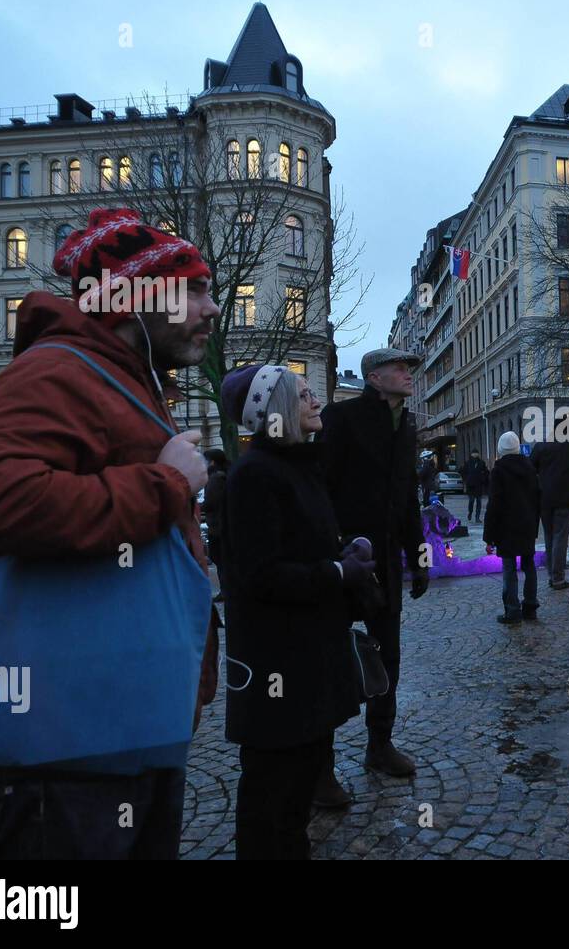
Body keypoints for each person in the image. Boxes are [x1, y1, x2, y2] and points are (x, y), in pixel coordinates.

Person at [0, 208, 220, 859]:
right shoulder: (53, 372)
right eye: (194, 290)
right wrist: (165, 486)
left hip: (115, 735)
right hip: (58, 758)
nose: (213, 308)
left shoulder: (127, 381)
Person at [220, 364, 368, 859]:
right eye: (304, 395)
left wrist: (346, 555)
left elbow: (308, 547)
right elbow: (262, 574)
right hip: (275, 664)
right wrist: (337, 573)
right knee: (271, 795)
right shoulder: (255, 475)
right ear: (277, 408)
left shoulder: (298, 465)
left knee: (296, 794)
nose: (316, 401)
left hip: (308, 655)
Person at [320, 348, 429, 781]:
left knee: (390, 656)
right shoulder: (340, 418)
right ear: (374, 376)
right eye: (400, 369)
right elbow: (323, 488)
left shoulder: (407, 427)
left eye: (408, 370)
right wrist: (333, 549)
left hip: (386, 559)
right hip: (344, 559)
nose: (408, 375)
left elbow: (408, 500)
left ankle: (379, 745)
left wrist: (418, 557)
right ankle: (321, 765)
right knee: (329, 654)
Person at [482, 431, 541, 625]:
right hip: (527, 525)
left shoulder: (498, 471)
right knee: (529, 566)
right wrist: (534, 524)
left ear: (500, 449)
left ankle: (513, 611)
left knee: (509, 569)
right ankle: (531, 607)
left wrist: (488, 536)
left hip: (506, 527)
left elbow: (494, 504)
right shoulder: (530, 468)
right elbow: (537, 498)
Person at [530, 437, 569, 589]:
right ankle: (558, 578)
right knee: (560, 537)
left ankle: (551, 575)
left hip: (545, 499)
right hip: (565, 499)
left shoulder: (541, 446)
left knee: (549, 537)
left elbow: (531, 466)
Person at [203, 448, 230, 602]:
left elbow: (211, 502)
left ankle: (225, 591)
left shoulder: (215, 478)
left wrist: (198, 507)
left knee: (220, 560)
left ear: (212, 462)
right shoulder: (224, 475)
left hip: (217, 527)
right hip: (222, 525)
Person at [462, 449, 489, 523]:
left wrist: (483, 479)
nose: (475, 455)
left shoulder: (481, 463)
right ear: (471, 454)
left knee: (479, 501)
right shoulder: (468, 463)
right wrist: (467, 479)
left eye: (476, 453)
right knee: (471, 501)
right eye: (474, 453)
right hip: (470, 485)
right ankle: (470, 512)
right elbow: (463, 472)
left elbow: (486, 472)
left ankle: (477, 517)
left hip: (478, 485)